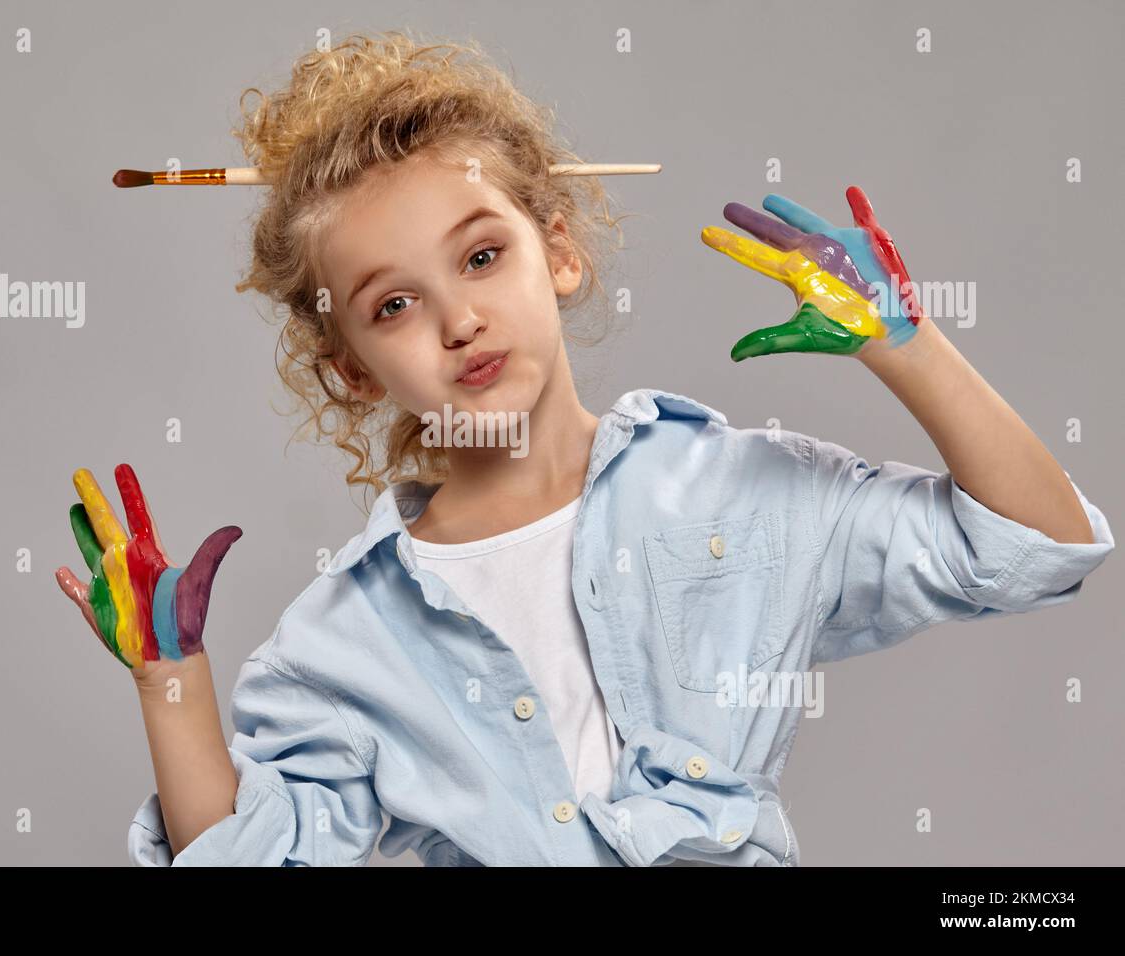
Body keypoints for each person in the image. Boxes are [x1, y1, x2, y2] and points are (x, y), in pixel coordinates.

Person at [59, 30, 1114, 866]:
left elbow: (1034, 546)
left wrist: (907, 345)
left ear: (556, 250)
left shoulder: (732, 494)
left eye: (481, 253)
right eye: (392, 304)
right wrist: (169, 681)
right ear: (350, 366)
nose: (458, 318)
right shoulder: (342, 640)